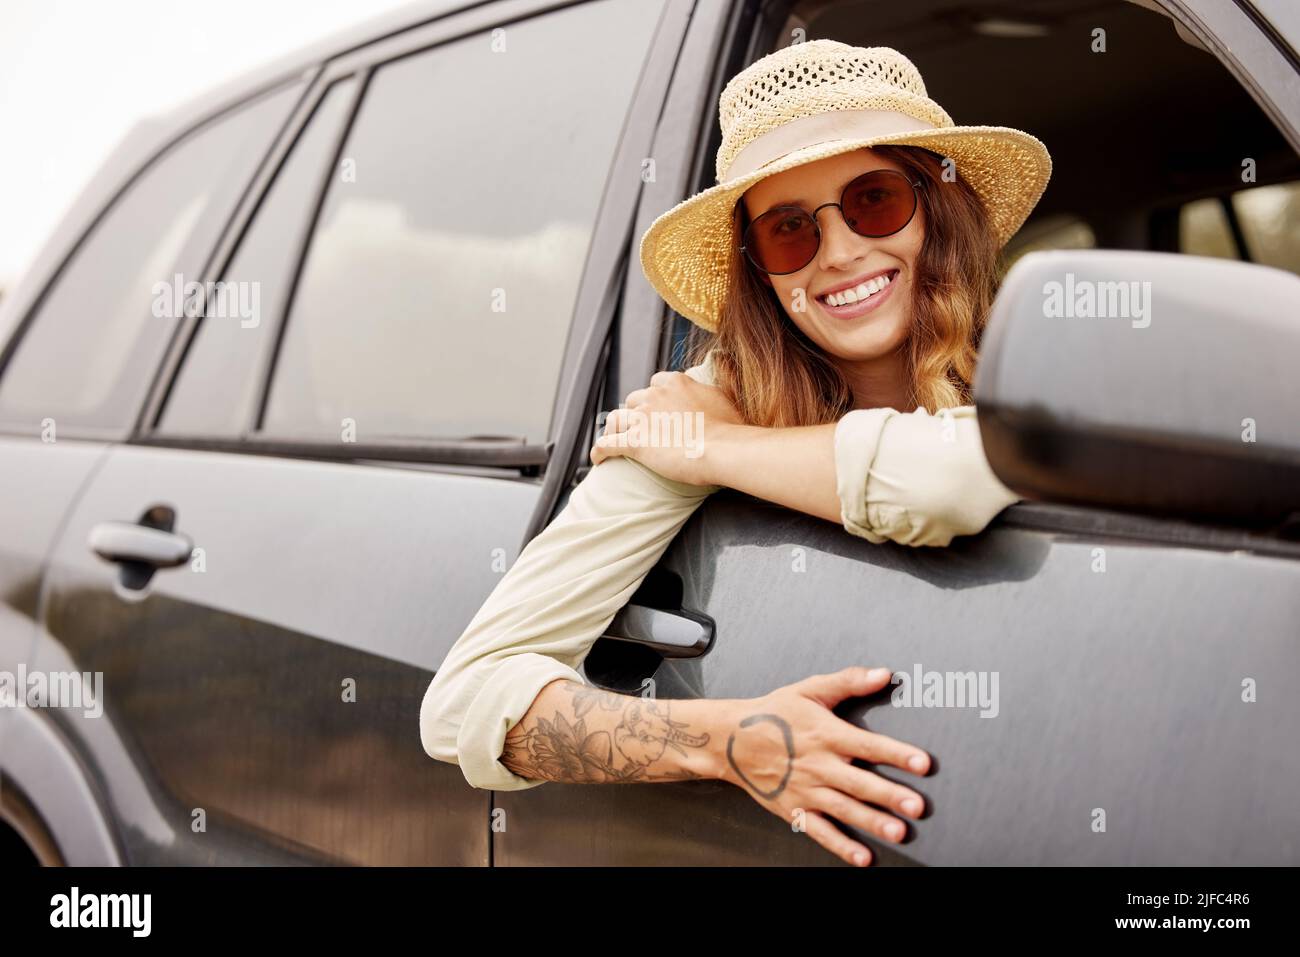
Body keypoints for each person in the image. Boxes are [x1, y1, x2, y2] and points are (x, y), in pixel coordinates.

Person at [420, 39, 1051, 868]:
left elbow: (957, 475)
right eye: (791, 230)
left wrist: (720, 450)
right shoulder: (688, 413)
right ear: (758, 267)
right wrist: (726, 738)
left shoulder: (1040, 357)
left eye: (874, 199)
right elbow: (464, 701)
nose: (839, 253)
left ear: (939, 206)